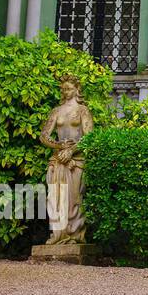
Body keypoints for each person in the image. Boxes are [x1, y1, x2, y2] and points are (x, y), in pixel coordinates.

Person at [39, 77, 94, 244]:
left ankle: (75, 235)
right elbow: (44, 136)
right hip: (58, 160)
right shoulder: (56, 111)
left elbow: (90, 137)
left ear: (77, 90)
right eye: (64, 89)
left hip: (76, 161)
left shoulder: (83, 110)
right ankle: (58, 235)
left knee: (75, 198)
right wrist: (59, 145)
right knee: (55, 198)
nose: (66, 92)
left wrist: (71, 150)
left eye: (69, 89)